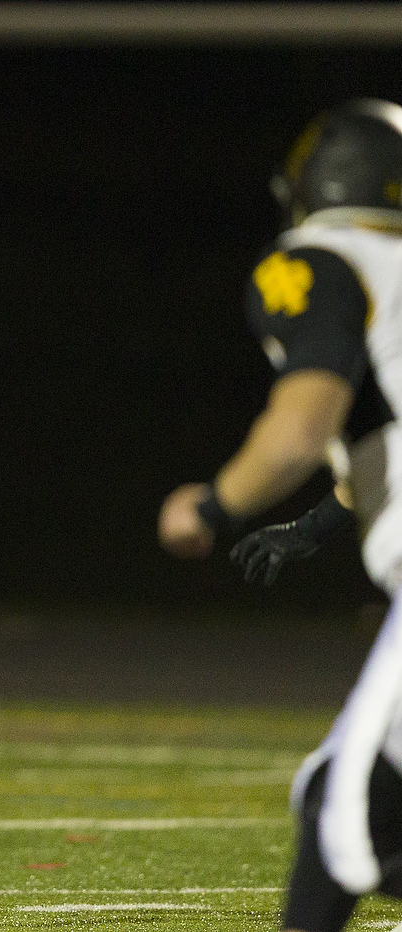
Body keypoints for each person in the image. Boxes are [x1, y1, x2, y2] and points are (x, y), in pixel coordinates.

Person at [158, 98, 402, 932]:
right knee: (355, 793)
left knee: (344, 809)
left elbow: (302, 430)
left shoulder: (324, 256)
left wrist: (214, 505)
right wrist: (313, 529)